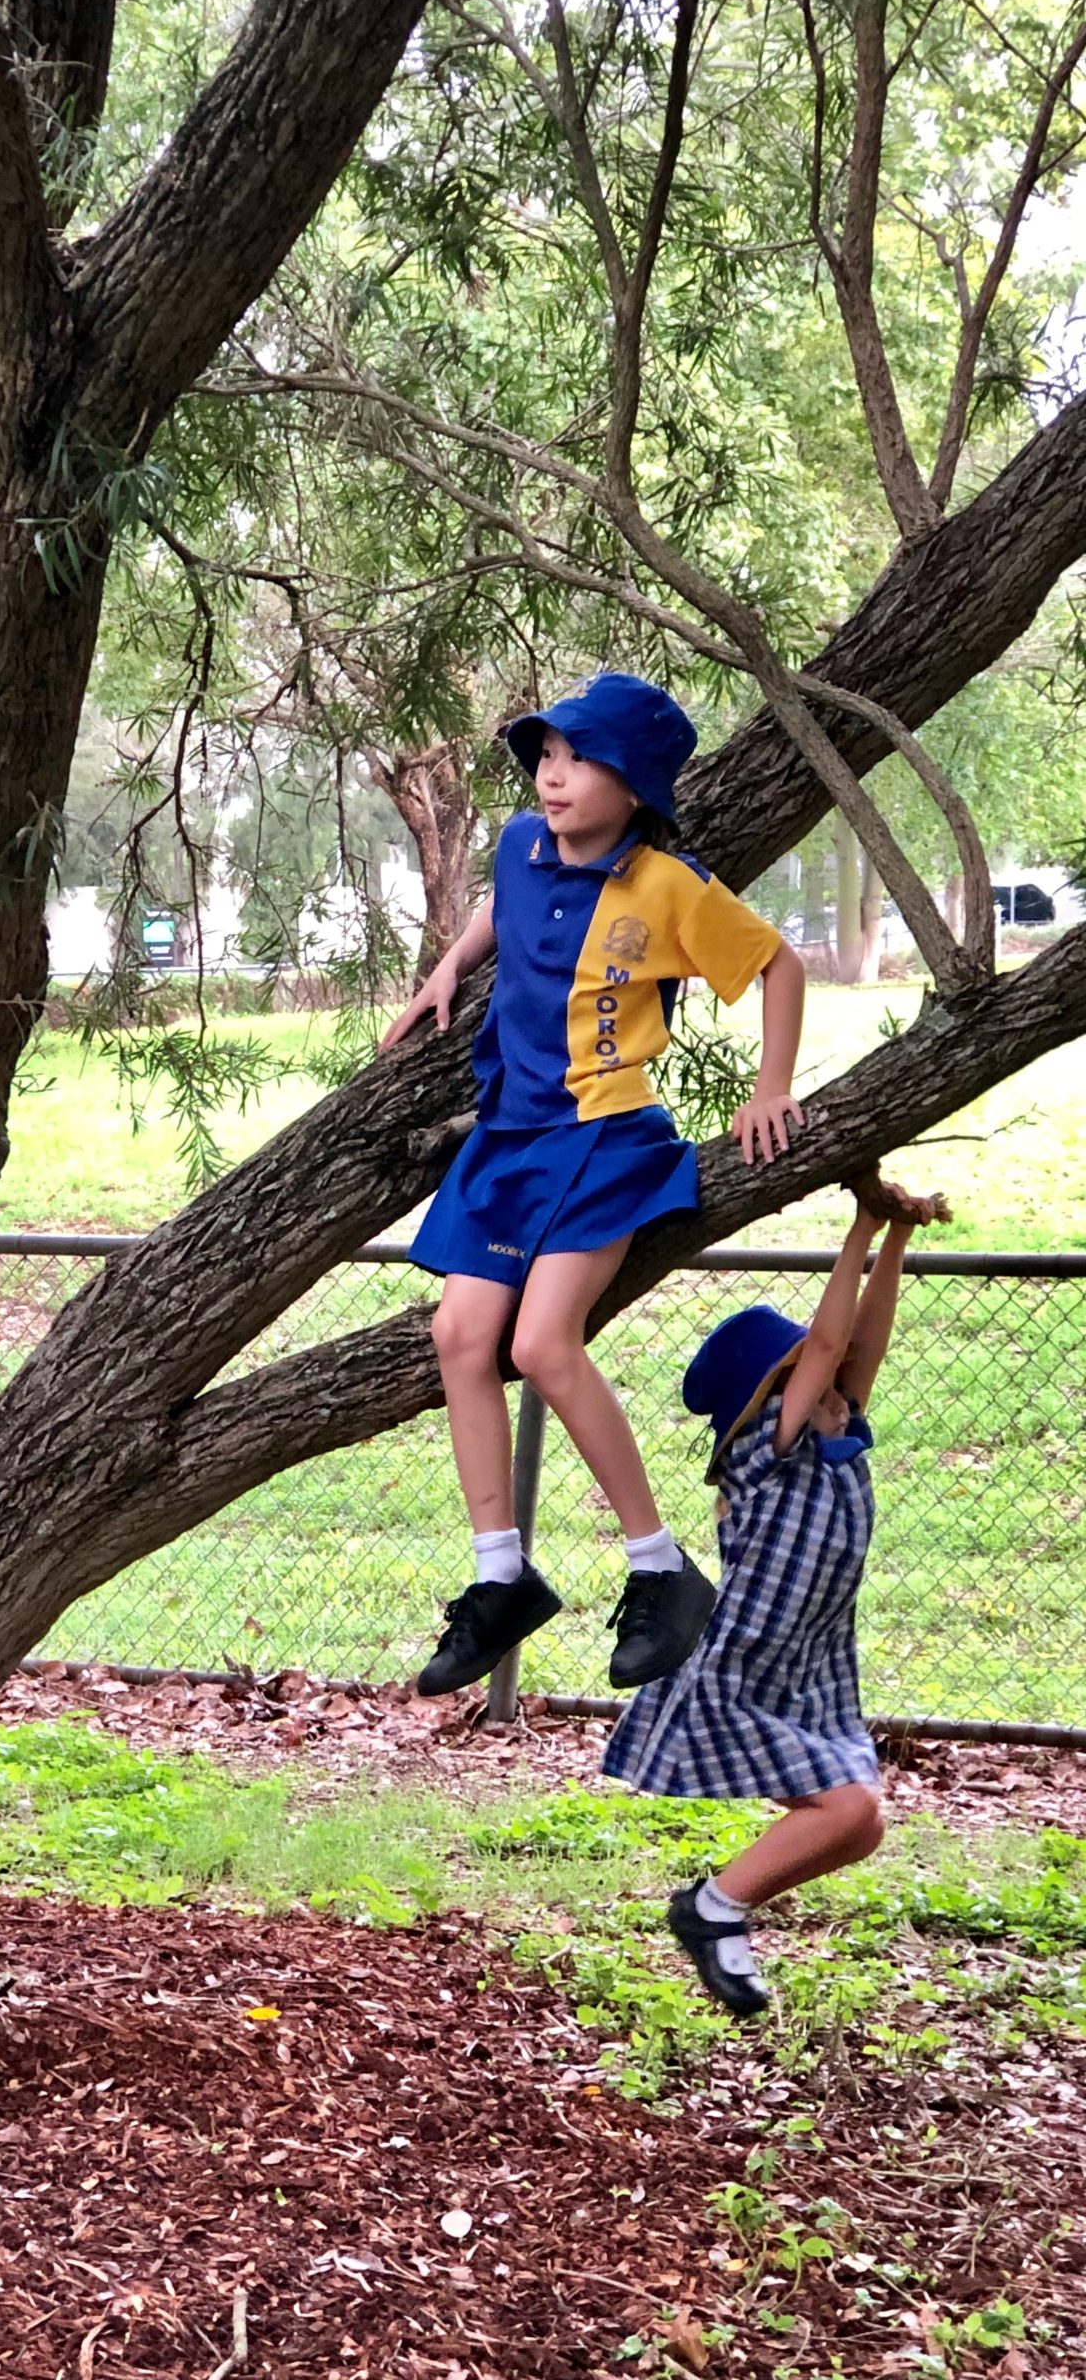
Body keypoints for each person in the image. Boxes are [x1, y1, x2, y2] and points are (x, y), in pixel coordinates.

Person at [379, 672, 807, 1699]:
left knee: (540, 1343)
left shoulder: (667, 885)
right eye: (547, 754)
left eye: (582, 758)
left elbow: (779, 965)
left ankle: (660, 1568)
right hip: (508, 1142)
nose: (554, 773)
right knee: (458, 1336)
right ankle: (500, 1576)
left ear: (636, 784)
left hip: (605, 1138)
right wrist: (449, 965)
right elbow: (499, 905)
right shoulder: (521, 846)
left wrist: (771, 1088)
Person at [604, 1176, 947, 2014]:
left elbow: (861, 1343)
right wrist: (861, 1226)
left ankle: (720, 1908)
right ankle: (712, 1909)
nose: (837, 1384)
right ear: (769, 1393)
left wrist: (898, 1237)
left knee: (861, 1824)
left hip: (807, 1674)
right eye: (809, 1375)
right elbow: (830, 1342)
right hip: (744, 1669)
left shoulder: (836, 1430)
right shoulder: (767, 1448)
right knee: (851, 1807)